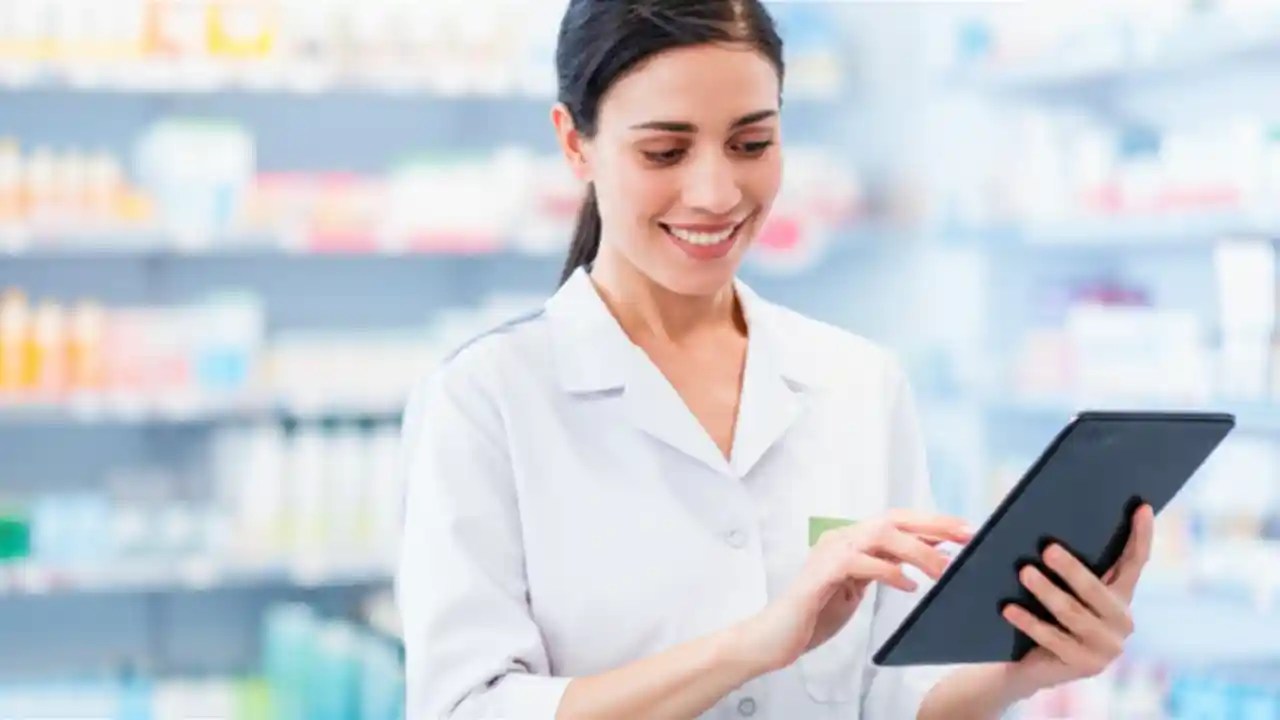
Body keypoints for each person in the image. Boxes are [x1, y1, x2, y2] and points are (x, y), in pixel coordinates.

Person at [396, 1, 1154, 718]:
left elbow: (888, 700)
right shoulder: (486, 401)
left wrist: (1022, 671)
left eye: (752, 144)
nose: (717, 191)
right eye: (665, 151)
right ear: (574, 143)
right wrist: (751, 646)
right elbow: (467, 706)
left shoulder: (858, 383)